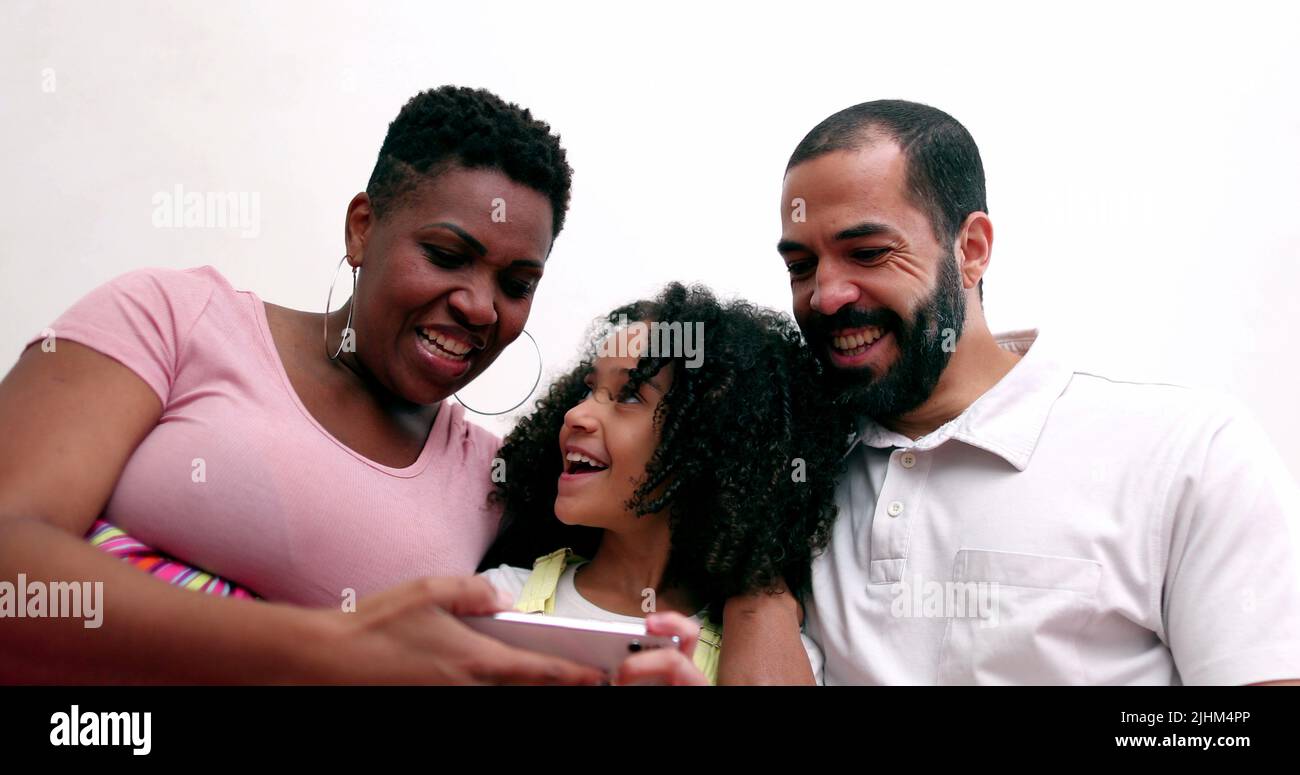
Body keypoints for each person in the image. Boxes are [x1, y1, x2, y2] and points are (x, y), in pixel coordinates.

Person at [0, 85, 605, 685]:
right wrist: (327, 651)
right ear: (362, 229)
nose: (480, 306)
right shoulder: (173, 318)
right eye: (446, 255)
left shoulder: (494, 481)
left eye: (517, 285)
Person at [723, 99, 1300, 685]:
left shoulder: (1187, 453)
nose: (825, 296)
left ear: (971, 249)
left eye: (868, 253)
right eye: (801, 266)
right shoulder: (786, 473)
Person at [477, 283, 850, 684]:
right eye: (589, 389)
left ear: (707, 443)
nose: (577, 414)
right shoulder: (496, 601)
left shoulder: (776, 657)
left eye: (629, 396)